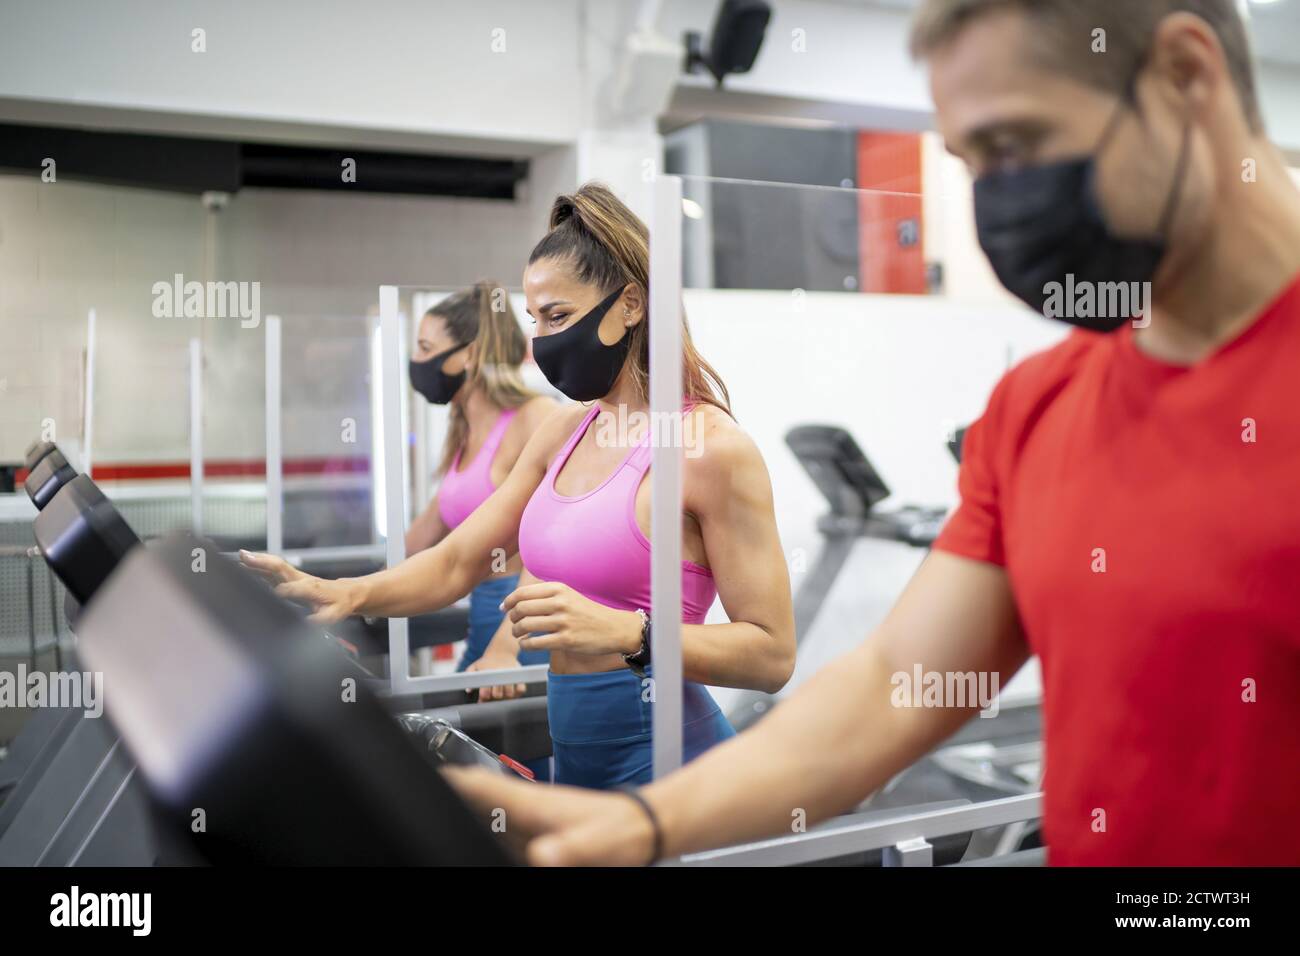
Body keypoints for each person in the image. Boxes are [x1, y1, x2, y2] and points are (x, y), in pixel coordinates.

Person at [444, 0, 1300, 865]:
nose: (995, 206)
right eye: (970, 163)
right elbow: (893, 687)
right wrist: (640, 825)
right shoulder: (1037, 411)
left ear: (1187, 75)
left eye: (1014, 145)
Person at [243, 183, 796, 789]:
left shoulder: (711, 450)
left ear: (631, 303)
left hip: (673, 762)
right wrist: (346, 593)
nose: (543, 340)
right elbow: (458, 561)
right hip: (575, 752)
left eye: (558, 317)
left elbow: (772, 655)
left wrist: (629, 633)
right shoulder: (562, 432)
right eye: (535, 319)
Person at [401, 281, 554, 673]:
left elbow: (551, 548)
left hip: (524, 621)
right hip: (483, 613)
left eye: (425, 348)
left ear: (468, 354)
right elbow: (424, 536)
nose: (415, 360)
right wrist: (348, 594)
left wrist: (506, 647)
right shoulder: (463, 429)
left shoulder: (534, 417)